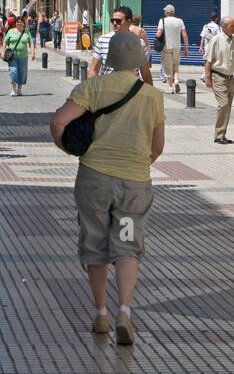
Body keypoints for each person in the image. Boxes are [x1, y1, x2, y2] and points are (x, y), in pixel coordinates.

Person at [50, 30, 165, 347]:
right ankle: (124, 311)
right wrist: (140, 162)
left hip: (94, 179)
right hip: (135, 183)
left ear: (110, 58)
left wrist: (71, 150)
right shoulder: (153, 97)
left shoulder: (90, 87)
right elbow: (158, 148)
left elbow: (58, 122)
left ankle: (100, 312)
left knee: (96, 242)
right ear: (139, 61)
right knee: (128, 245)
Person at [204, 17, 234, 145]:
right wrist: (208, 78)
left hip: (230, 78)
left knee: (228, 106)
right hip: (218, 76)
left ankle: (222, 134)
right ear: (223, 27)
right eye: (231, 26)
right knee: (223, 104)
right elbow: (208, 61)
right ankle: (219, 134)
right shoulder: (216, 40)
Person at [90, 7, 151, 83]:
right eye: (112, 21)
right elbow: (94, 69)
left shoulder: (139, 43)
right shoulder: (102, 40)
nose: (114, 23)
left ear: (128, 22)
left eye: (118, 21)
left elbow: (145, 73)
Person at [155, 4, 189, 94]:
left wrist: (157, 36)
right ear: (173, 12)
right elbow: (185, 35)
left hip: (167, 47)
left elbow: (158, 34)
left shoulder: (162, 21)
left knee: (168, 68)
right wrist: (186, 48)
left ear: (166, 12)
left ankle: (170, 87)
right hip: (177, 47)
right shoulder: (180, 21)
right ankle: (176, 81)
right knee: (176, 66)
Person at [3, 16, 34, 96]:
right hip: (12, 56)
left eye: (21, 22)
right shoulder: (11, 31)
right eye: (17, 22)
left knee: (22, 73)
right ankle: (13, 89)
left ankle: (19, 89)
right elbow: (5, 42)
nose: (19, 23)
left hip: (23, 56)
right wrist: (3, 52)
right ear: (15, 23)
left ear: (24, 23)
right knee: (13, 71)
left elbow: (31, 43)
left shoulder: (26, 32)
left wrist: (33, 52)